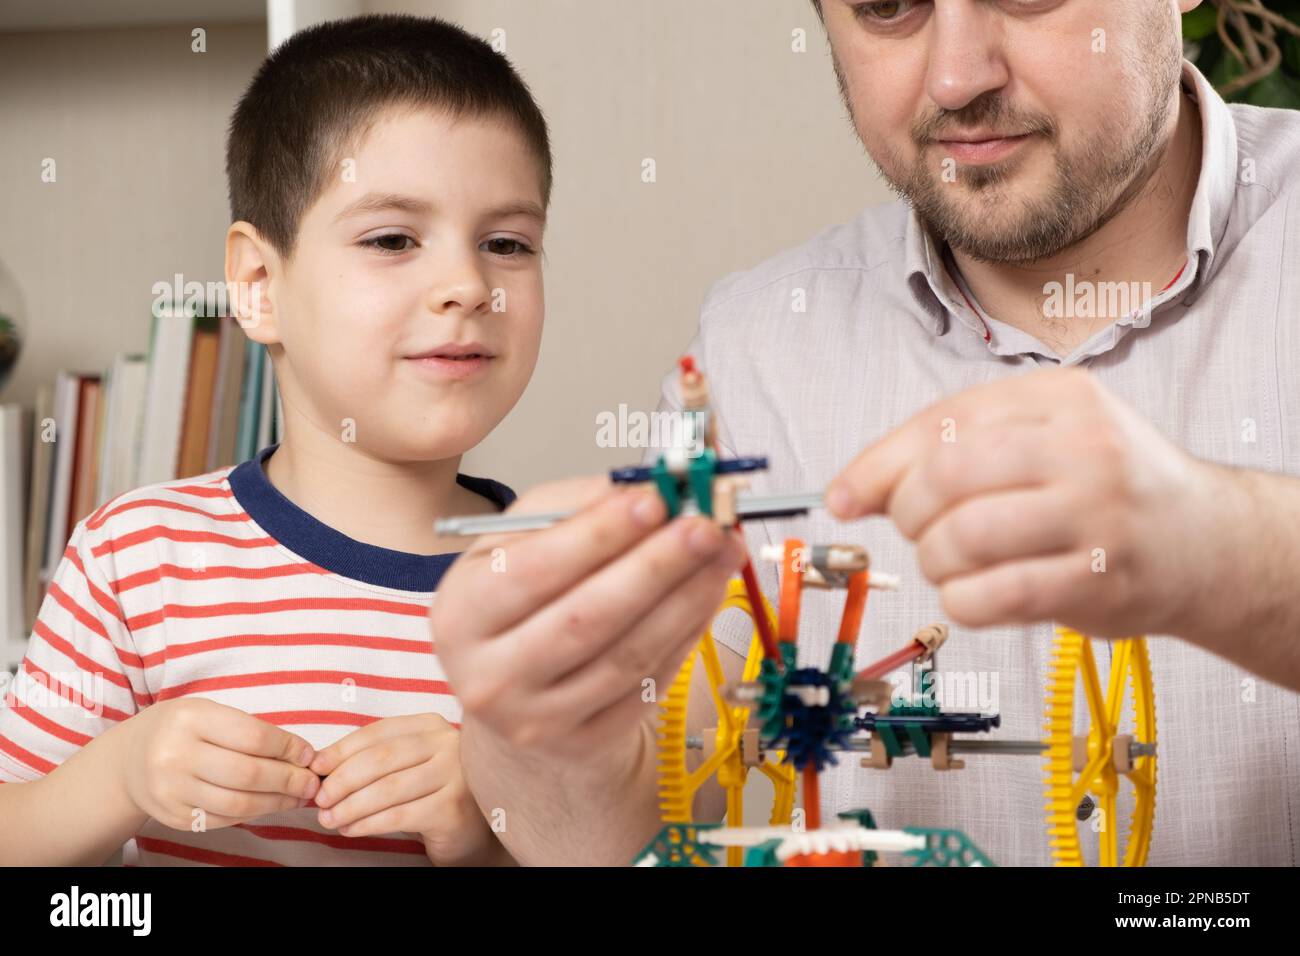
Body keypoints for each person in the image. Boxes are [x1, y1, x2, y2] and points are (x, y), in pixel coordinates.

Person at [433, 0, 1300, 865]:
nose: (958, 78)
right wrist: (530, 734)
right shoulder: (758, 349)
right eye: (887, 7)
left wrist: (1227, 552)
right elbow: (620, 830)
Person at [0, 13, 550, 866]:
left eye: (506, 243)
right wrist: (121, 776)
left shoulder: (570, 590)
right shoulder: (138, 557)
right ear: (258, 285)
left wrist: (491, 828)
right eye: (393, 239)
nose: (467, 284)